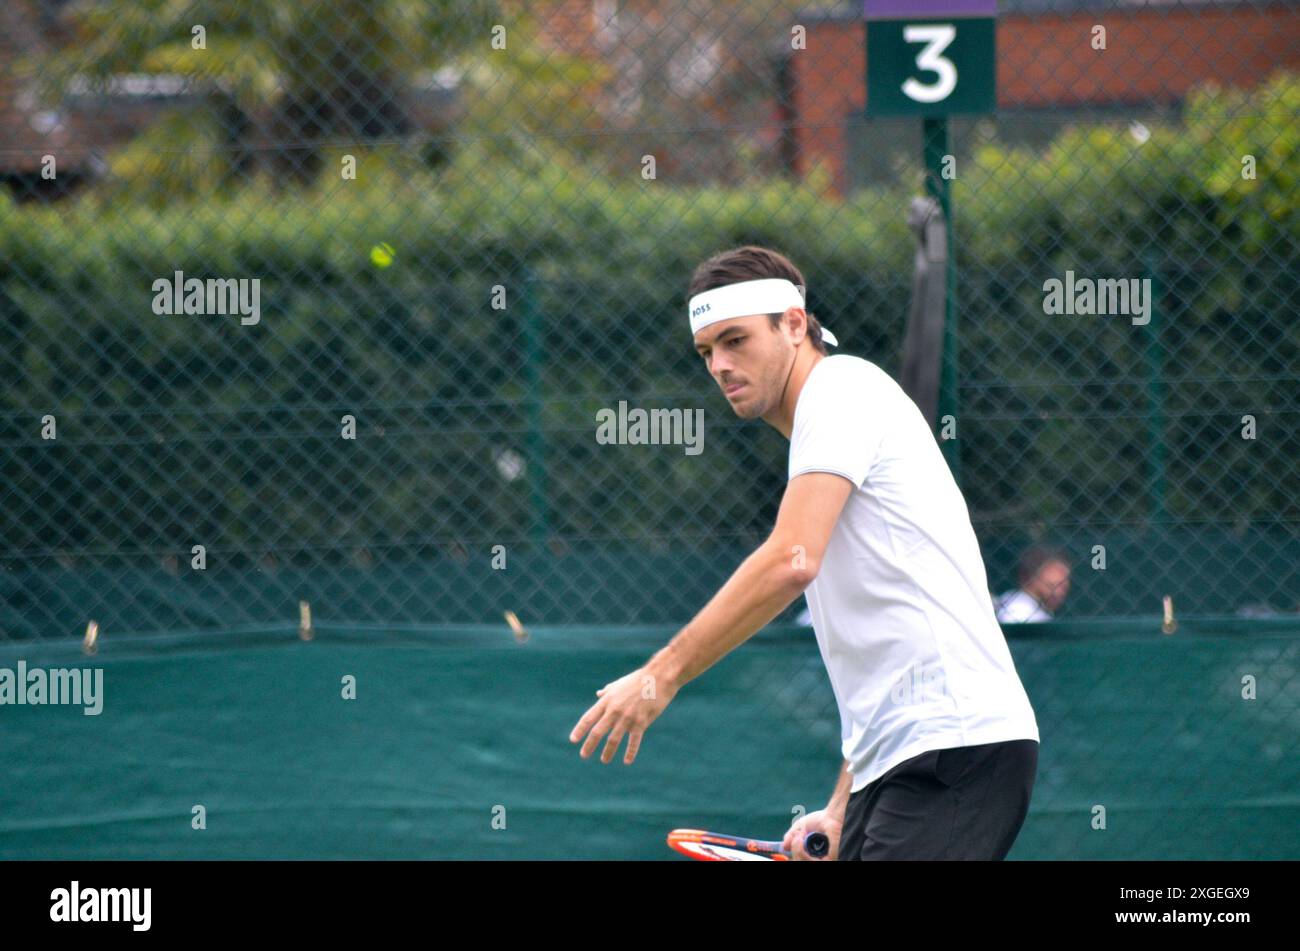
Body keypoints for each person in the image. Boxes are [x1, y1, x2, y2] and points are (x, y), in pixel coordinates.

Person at [569, 245, 1039, 860]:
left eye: (735, 340)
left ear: (794, 324)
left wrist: (662, 674)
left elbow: (792, 560)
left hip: (953, 749)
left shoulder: (841, 392)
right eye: (707, 350)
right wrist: (842, 808)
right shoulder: (829, 430)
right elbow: (889, 647)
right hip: (904, 758)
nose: (719, 364)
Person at [995, 545, 1071, 623]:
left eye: (1066, 576)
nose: (1065, 582)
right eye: (1057, 571)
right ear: (1030, 575)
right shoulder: (1018, 608)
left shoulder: (1038, 610)